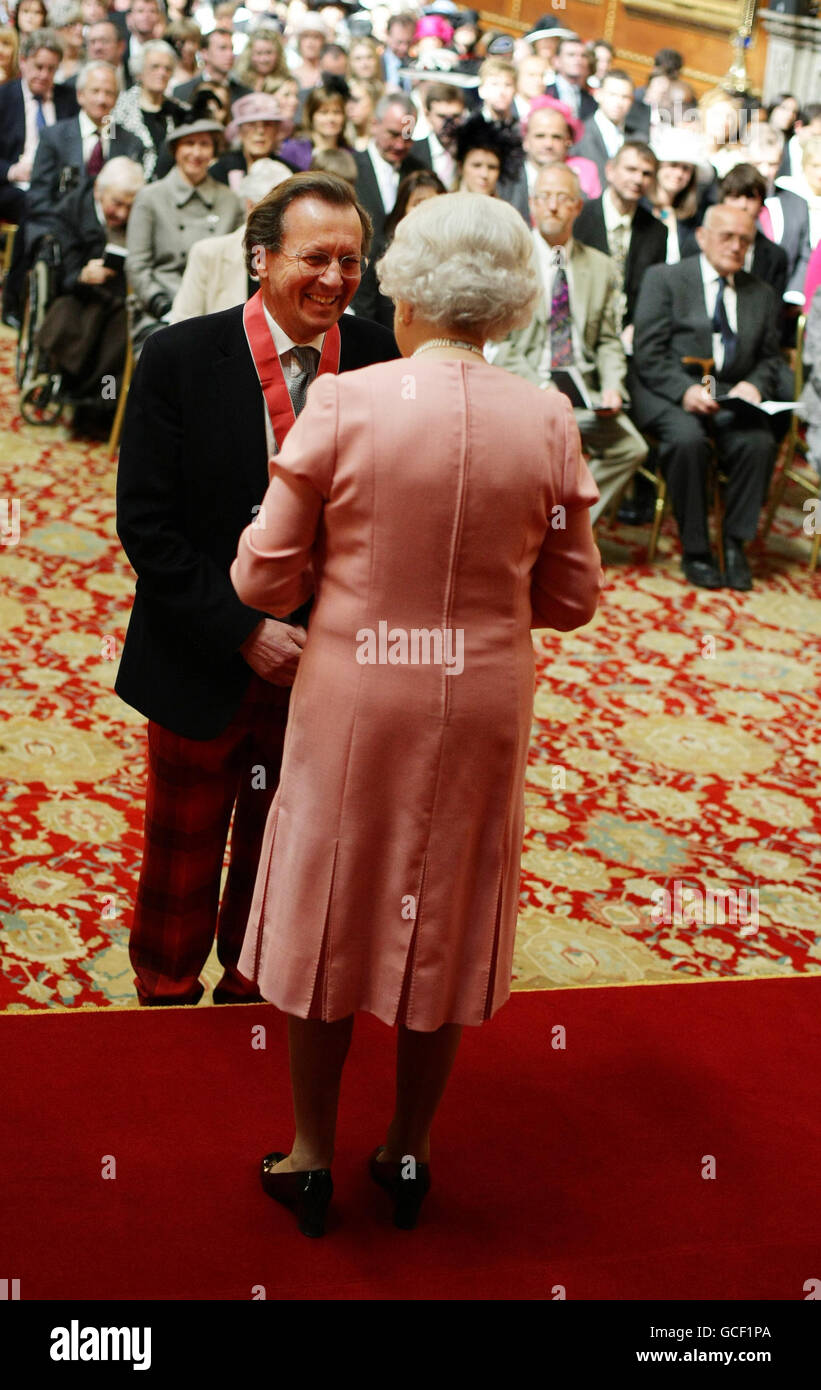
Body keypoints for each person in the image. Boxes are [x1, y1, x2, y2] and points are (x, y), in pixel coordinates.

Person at [227, 190, 602, 1236]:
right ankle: (407, 1150)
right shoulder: (547, 416)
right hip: (482, 697)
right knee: (444, 903)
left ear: (405, 290)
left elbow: (262, 577)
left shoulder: (345, 403)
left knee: (329, 901)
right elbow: (570, 598)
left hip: (356, 688)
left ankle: (308, 1154)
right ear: (509, 303)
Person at [115, 172, 400, 1012]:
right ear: (259, 258)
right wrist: (243, 630)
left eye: (351, 261)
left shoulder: (382, 358)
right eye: (314, 258)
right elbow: (149, 529)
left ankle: (248, 992)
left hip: (323, 661)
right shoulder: (179, 356)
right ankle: (163, 1004)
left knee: (285, 848)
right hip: (201, 649)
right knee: (182, 850)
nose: (335, 279)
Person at [631, 204, 787, 591]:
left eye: (745, 240)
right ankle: (697, 549)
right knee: (687, 441)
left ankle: (734, 544)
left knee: (758, 442)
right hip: (670, 390)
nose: (736, 247)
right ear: (702, 237)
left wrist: (755, 385)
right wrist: (684, 391)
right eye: (727, 237)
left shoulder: (761, 293)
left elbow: (771, 358)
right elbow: (648, 352)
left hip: (730, 394)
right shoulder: (664, 279)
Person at [493, 161, 647, 526]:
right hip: (527, 389)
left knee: (632, 448)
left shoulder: (601, 267)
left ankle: (570, 528)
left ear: (578, 207)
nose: (552, 206)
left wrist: (612, 386)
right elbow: (498, 344)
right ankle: (533, 528)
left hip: (583, 395)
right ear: (531, 204)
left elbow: (609, 340)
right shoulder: (510, 263)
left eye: (563, 198)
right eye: (544, 197)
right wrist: (541, 387)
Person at [125, 99, 243, 348]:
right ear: (175, 149)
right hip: (161, 307)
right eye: (189, 144)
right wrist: (161, 304)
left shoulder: (230, 201)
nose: (197, 153)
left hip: (217, 309)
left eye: (204, 144)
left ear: (214, 151)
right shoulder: (150, 197)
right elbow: (137, 265)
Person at [34, 155, 144, 403]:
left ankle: (102, 401)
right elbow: (62, 272)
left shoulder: (139, 213)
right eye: (116, 204)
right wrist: (82, 275)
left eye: (130, 206)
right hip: (76, 292)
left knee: (124, 324)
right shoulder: (69, 211)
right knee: (81, 320)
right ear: (98, 191)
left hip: (119, 294)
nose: (123, 213)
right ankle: (78, 392)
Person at [0, 27, 78, 326]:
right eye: (39, 67)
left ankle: (62, 299)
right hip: (11, 185)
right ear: (23, 62)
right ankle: (14, 298)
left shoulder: (67, 99)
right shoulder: (4, 97)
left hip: (59, 186)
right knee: (33, 207)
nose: (45, 75)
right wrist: (10, 170)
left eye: (51, 69)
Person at [26, 60, 144, 244]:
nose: (102, 99)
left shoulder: (130, 142)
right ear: (80, 95)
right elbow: (39, 198)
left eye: (109, 93)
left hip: (111, 237)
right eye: (95, 91)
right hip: (61, 234)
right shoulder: (54, 137)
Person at [169, 155, 290, 319]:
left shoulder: (298, 257)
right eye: (274, 211)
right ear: (250, 206)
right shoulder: (208, 254)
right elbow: (180, 329)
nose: (281, 221)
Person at [572, 139, 667, 349]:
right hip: (580, 330)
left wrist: (637, 327)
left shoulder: (657, 231)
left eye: (646, 173)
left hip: (631, 337)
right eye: (631, 169)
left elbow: (652, 292)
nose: (638, 179)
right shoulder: (579, 217)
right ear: (610, 171)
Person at [350, 91, 422, 325]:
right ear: (374, 125)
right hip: (358, 298)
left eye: (408, 137)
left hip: (405, 306)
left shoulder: (419, 173)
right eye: (393, 134)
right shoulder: (350, 170)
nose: (400, 144)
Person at [110, 41, 186, 182]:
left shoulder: (180, 112)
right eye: (155, 67)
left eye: (167, 68)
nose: (162, 73)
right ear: (139, 72)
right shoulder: (118, 109)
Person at [648, 124, 709, 263]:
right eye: (673, 165)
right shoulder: (641, 205)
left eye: (686, 169)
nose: (679, 174)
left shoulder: (694, 217)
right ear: (658, 166)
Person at [210, 91, 292, 189]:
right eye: (251, 124)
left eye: (267, 124)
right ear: (240, 131)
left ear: (277, 131)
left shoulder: (290, 174)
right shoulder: (219, 171)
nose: (260, 131)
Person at [570, 68, 634, 187]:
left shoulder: (636, 137)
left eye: (625, 97)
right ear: (598, 95)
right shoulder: (579, 133)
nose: (619, 102)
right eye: (612, 95)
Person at [173, 26, 250, 106]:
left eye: (232, 49)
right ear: (204, 53)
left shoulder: (245, 96)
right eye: (222, 48)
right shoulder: (183, 92)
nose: (230, 54)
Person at [409, 80, 463, 189]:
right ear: (427, 115)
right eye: (441, 116)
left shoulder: (469, 152)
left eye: (455, 116)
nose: (448, 124)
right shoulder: (412, 154)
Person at [455, 111, 520, 198]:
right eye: (476, 165)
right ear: (460, 167)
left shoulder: (506, 210)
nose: (484, 174)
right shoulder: (444, 207)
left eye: (492, 167)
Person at [545, 35, 595, 123]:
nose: (578, 60)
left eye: (583, 56)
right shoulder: (545, 92)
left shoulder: (591, 102)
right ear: (557, 61)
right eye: (571, 55)